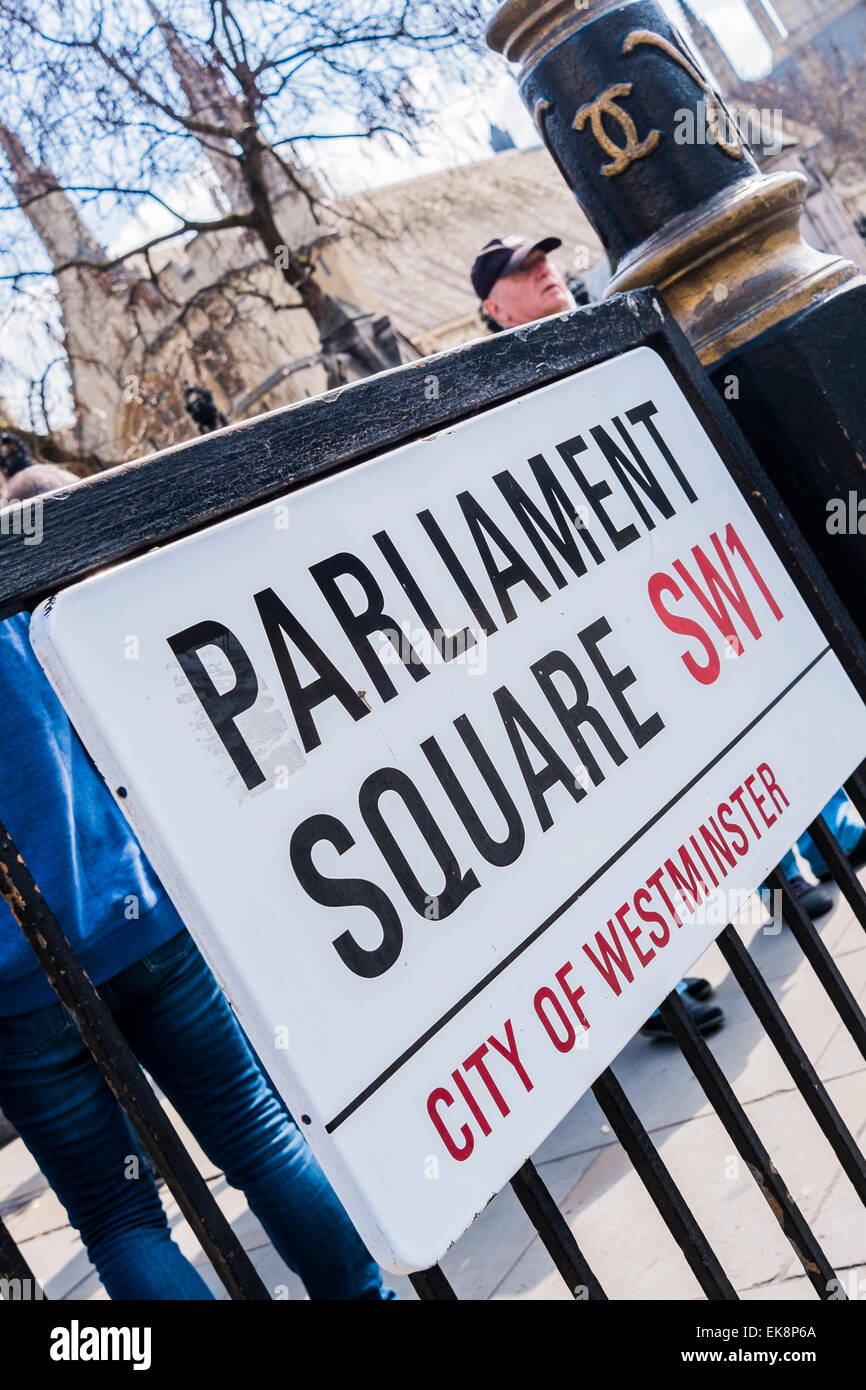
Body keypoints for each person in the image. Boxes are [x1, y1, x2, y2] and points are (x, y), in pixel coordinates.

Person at [0, 470, 394, 1300]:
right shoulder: (18, 587)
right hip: (132, 909)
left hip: (16, 992)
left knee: (118, 1217)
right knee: (257, 1136)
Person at [470, 236, 723, 1042]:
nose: (540, 270)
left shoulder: (614, 332)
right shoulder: (484, 390)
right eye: (518, 272)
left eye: (542, 259)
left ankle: (789, 864)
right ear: (492, 307)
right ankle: (650, 986)